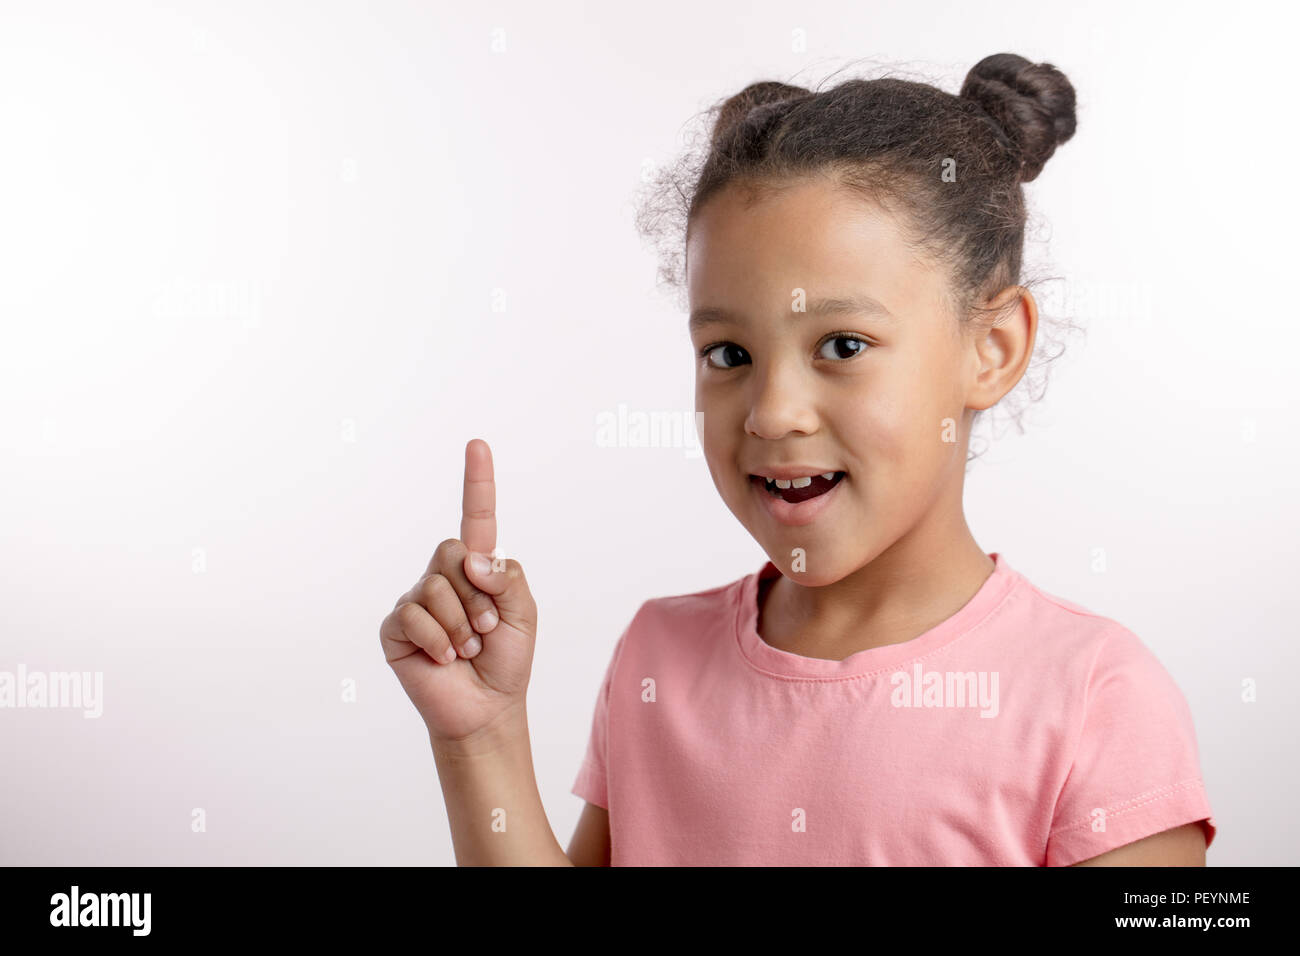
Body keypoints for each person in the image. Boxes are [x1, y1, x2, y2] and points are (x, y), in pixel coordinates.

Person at [379, 52, 1216, 866]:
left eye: (843, 344)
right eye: (728, 354)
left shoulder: (1097, 701)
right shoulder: (657, 658)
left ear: (991, 348)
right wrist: (480, 736)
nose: (773, 414)